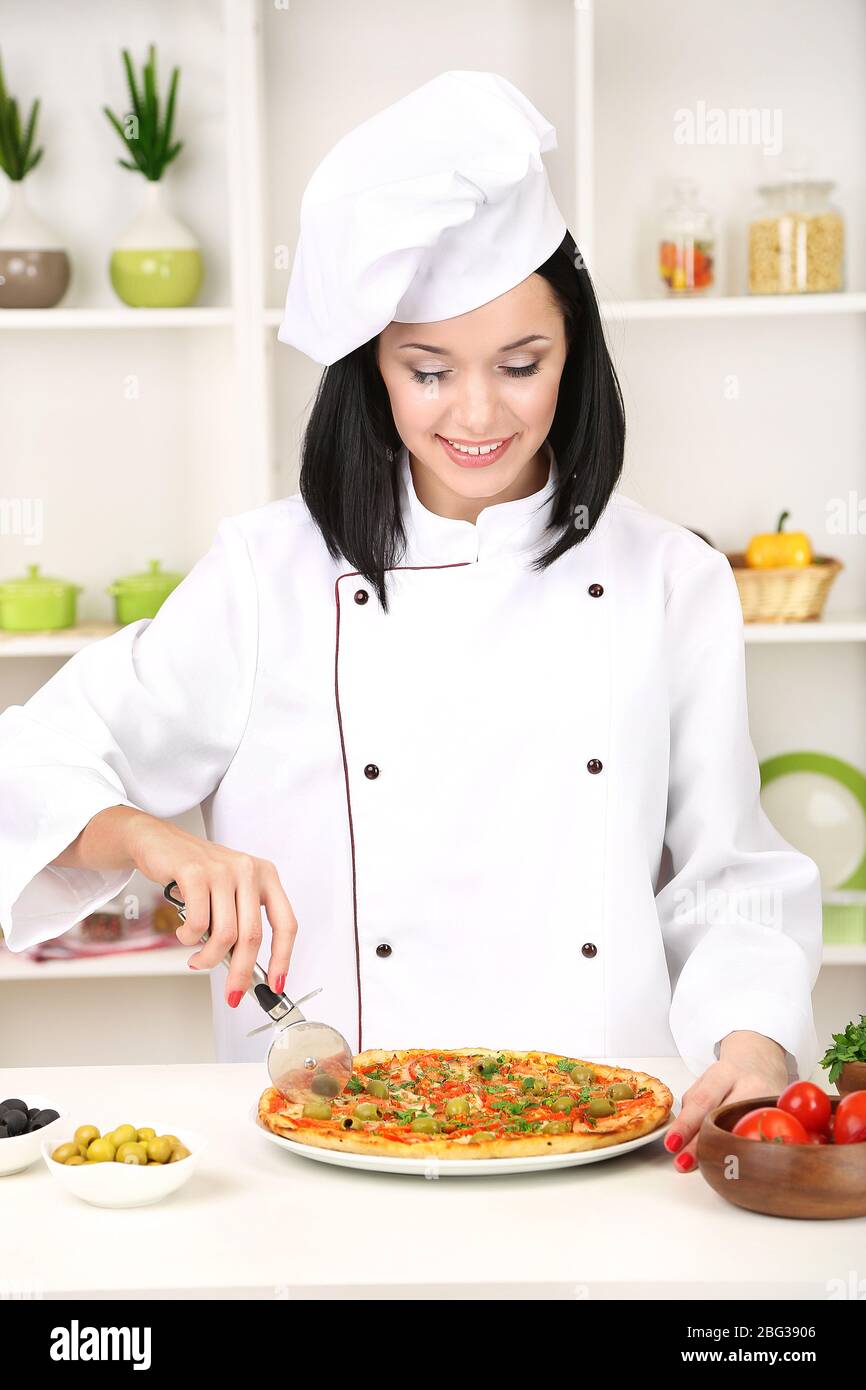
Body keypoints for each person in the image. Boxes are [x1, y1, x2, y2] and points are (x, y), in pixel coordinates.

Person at [0, 72, 821, 1174]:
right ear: (370, 373)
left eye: (519, 366)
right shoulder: (268, 572)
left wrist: (754, 1044)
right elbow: (34, 760)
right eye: (426, 370)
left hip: (612, 1146)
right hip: (330, 1151)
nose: (477, 414)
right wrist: (154, 837)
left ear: (572, 347)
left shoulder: (669, 578)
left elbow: (729, 878)